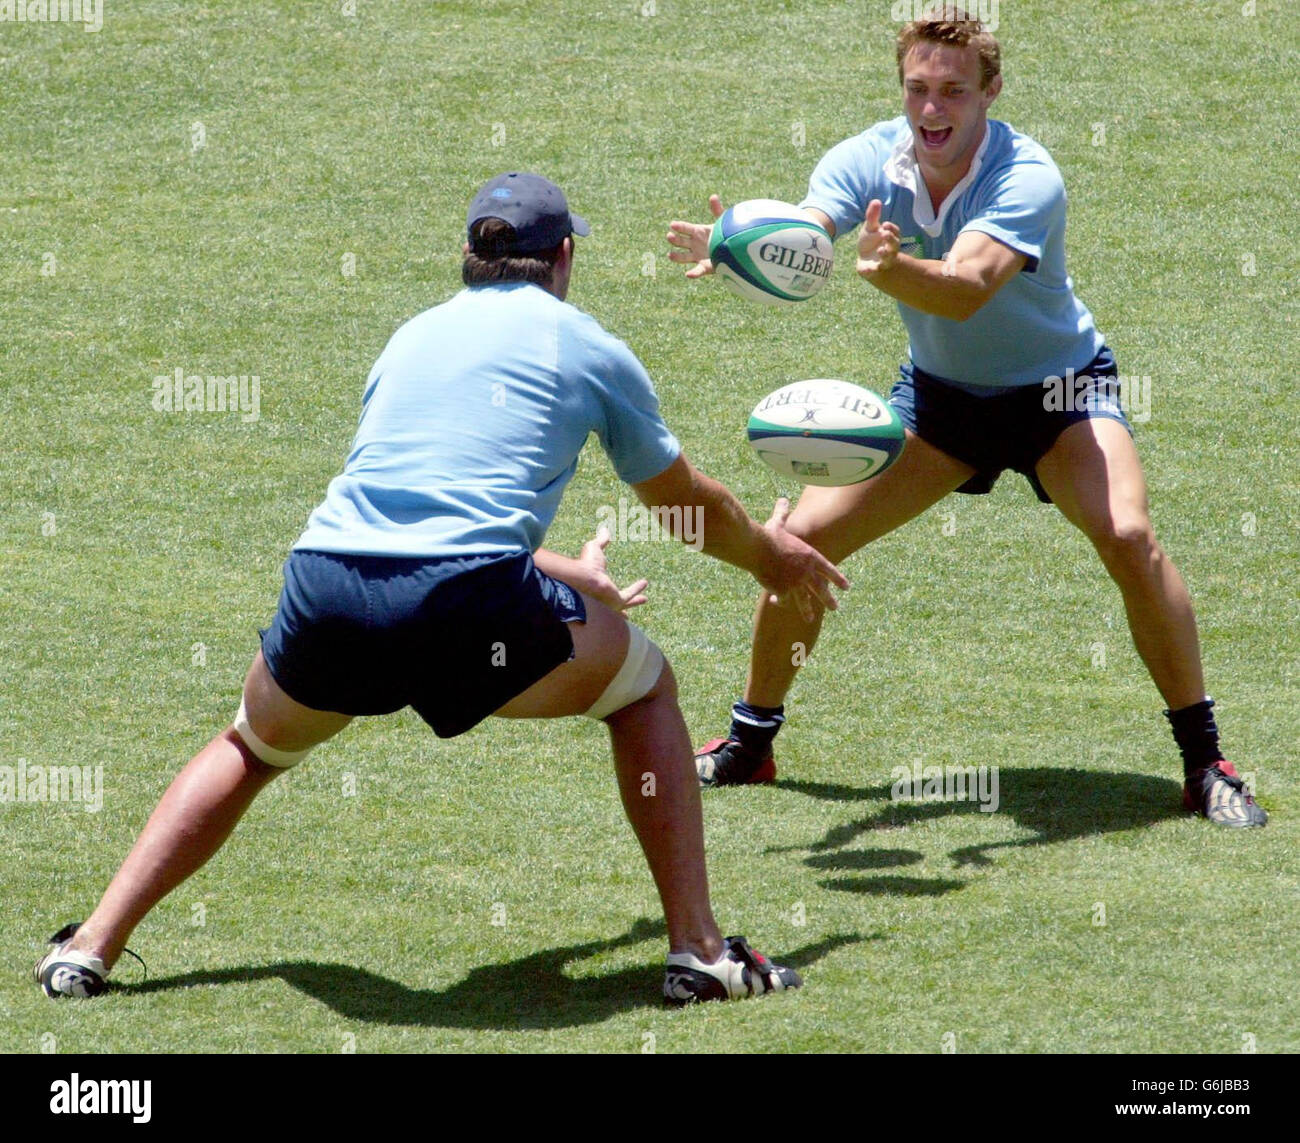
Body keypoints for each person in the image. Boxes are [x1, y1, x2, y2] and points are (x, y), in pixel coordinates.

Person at [34, 171, 851, 1006]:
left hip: (329, 584)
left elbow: (412, 514)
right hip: (464, 602)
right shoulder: (587, 344)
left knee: (250, 747)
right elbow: (685, 507)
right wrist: (771, 557)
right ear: (564, 256)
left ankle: (89, 948)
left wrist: (562, 573)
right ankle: (701, 954)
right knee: (644, 690)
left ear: (469, 257)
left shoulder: (410, 337)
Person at [667, 7, 1265, 828]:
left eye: (952, 90)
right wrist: (751, 243)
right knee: (797, 548)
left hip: (1058, 398)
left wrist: (888, 268)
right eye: (917, 88)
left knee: (1127, 535)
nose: (931, 108)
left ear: (991, 91)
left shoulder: (1029, 175)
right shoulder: (867, 158)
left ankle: (1206, 762)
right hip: (941, 402)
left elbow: (968, 284)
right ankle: (749, 743)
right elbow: (815, 223)